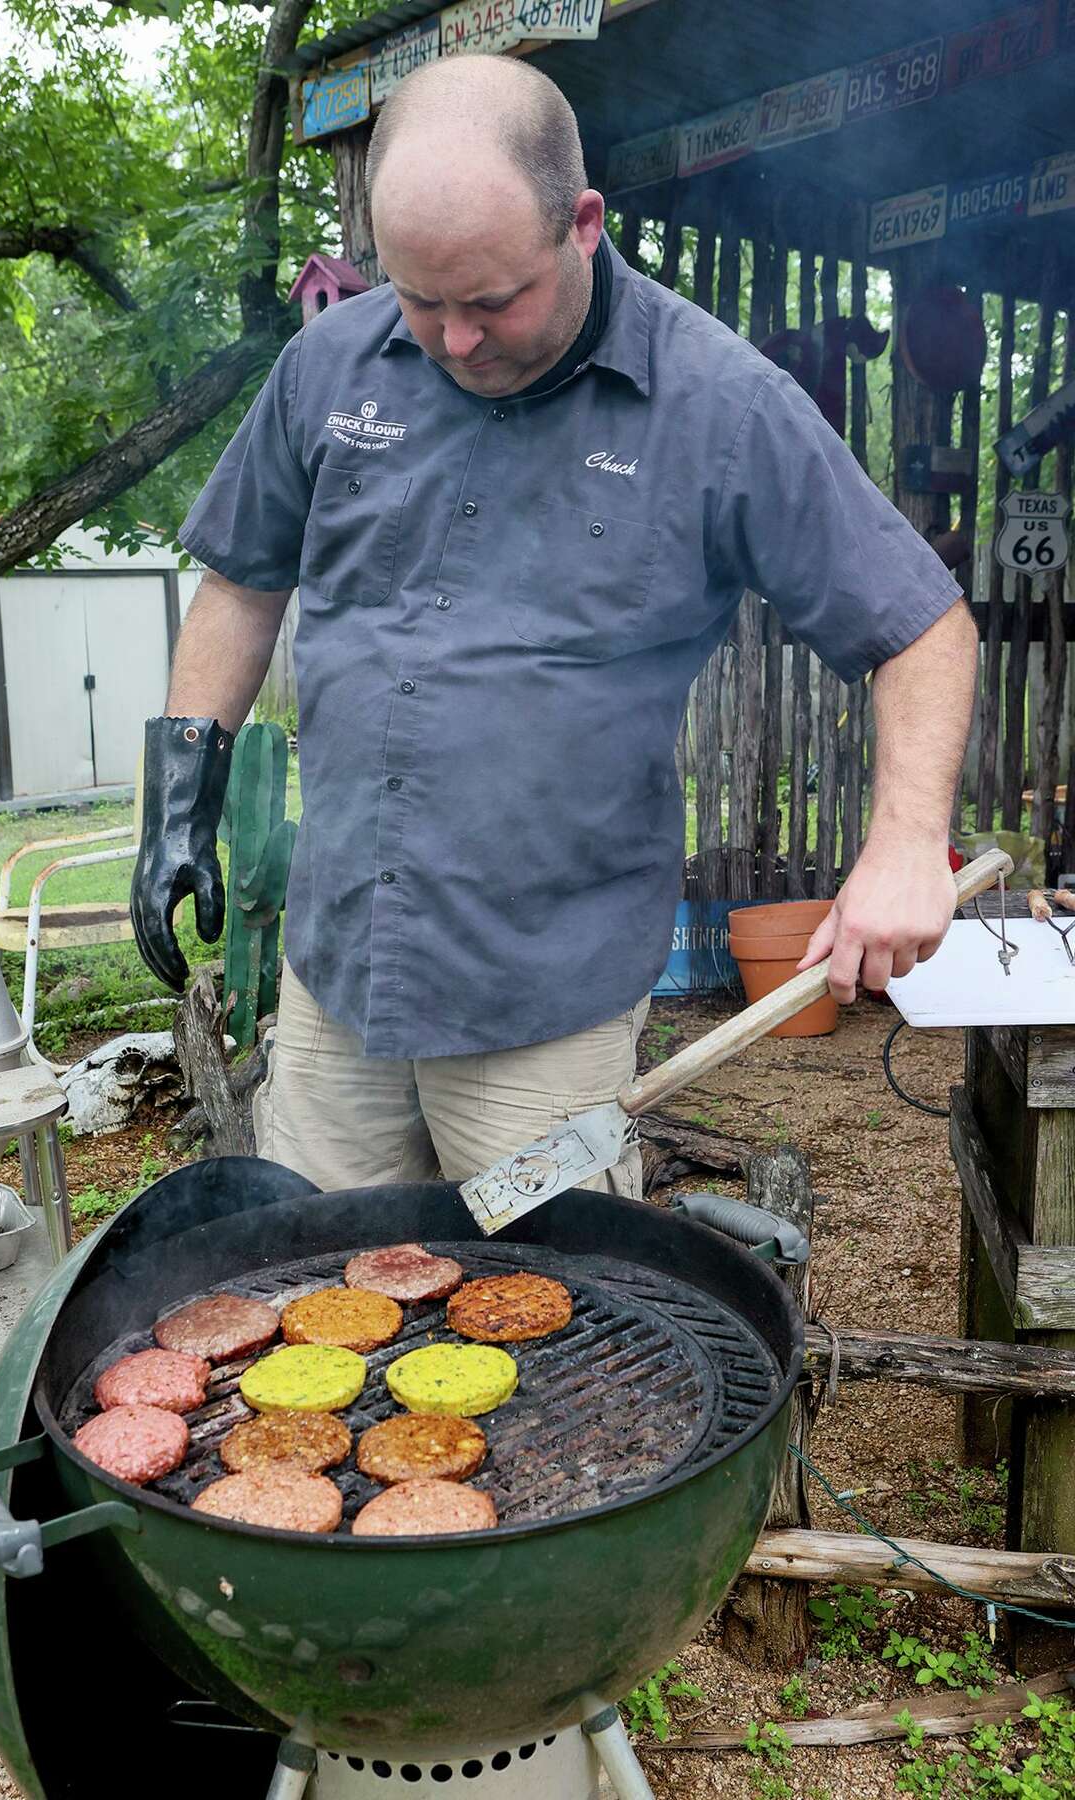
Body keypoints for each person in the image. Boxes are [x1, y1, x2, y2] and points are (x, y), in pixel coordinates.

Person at [130, 54, 977, 1196]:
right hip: (340, 971)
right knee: (320, 1315)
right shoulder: (327, 364)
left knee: (556, 1334)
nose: (455, 341)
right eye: (420, 301)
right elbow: (239, 583)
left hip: (544, 1000)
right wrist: (181, 791)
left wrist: (906, 843)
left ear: (582, 224)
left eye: (489, 301)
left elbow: (922, 626)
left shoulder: (720, 407)